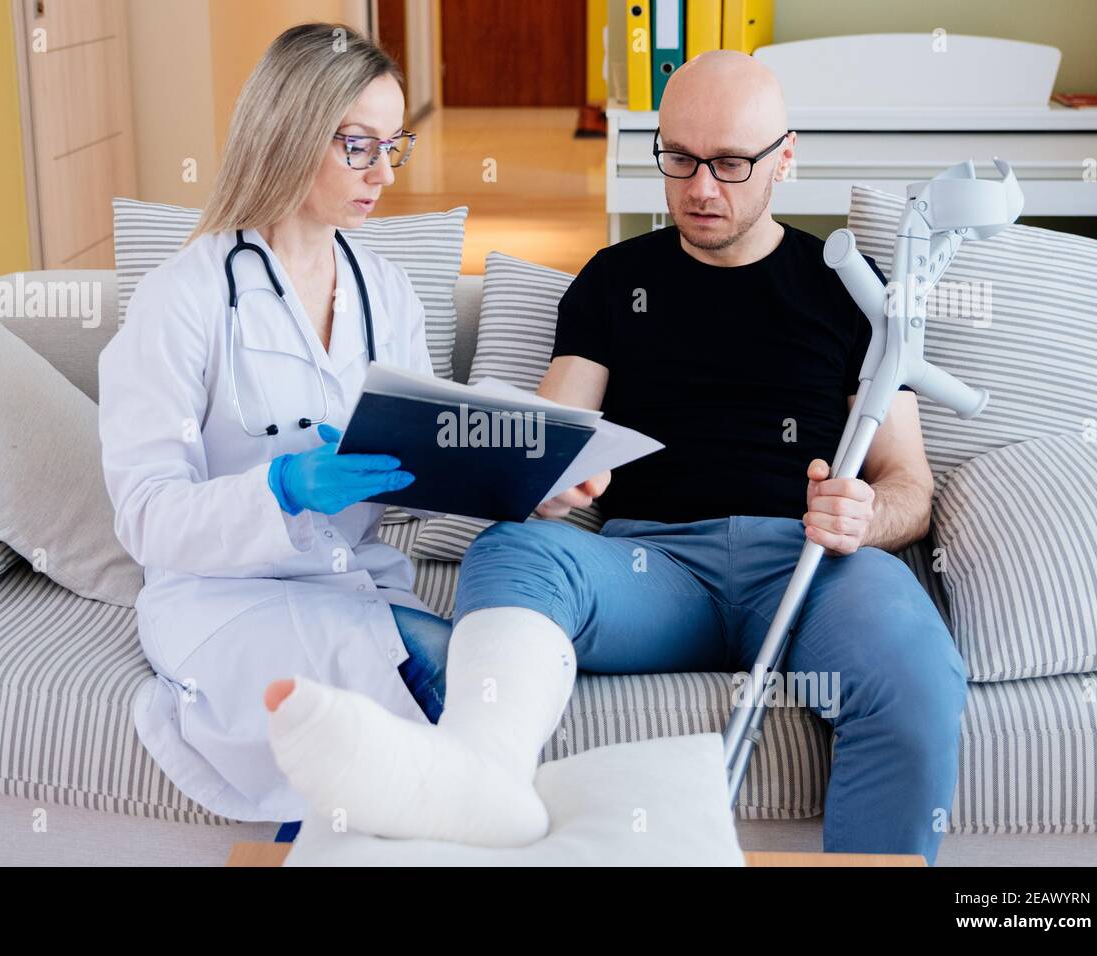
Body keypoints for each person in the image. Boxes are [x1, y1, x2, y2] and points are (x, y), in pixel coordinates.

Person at [264, 50, 970, 865]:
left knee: (918, 679)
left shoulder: (852, 288)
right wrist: (544, 479)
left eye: (732, 164)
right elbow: (556, 431)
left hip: (813, 566)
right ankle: (477, 775)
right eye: (679, 159)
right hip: (649, 566)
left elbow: (908, 486)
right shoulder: (613, 280)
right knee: (514, 550)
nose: (701, 189)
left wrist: (866, 513)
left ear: (786, 157)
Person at [97, 22, 453, 824]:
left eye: (393, 145)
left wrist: (512, 476)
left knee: (448, 708)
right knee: (374, 737)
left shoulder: (386, 292)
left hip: (348, 584)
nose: (385, 173)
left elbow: (423, 463)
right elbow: (145, 515)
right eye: (358, 146)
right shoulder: (180, 298)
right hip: (224, 603)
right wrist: (281, 491)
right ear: (291, 133)